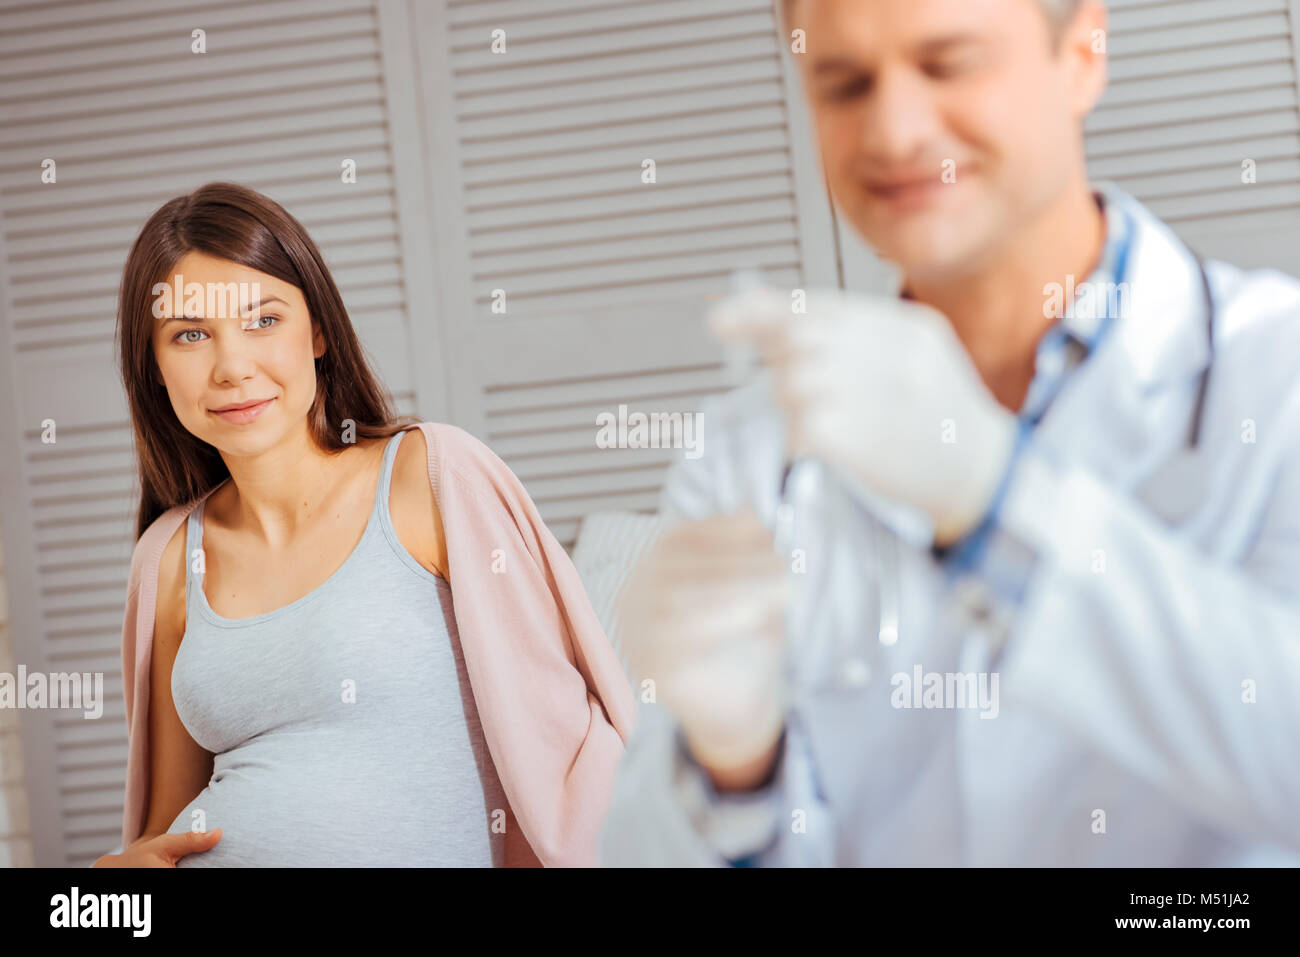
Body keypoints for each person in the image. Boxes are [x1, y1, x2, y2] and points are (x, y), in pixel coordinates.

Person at [599, 0, 1300, 866]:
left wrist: (995, 500)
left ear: (1083, 53)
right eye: (844, 83)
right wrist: (733, 771)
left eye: (949, 63)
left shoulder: (1275, 373)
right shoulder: (749, 453)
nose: (892, 131)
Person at [94, 182, 634, 868]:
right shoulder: (168, 555)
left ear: (318, 331)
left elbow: (558, 749)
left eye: (263, 319)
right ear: (154, 364)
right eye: (191, 335)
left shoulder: (434, 478)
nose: (232, 367)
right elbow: (163, 830)